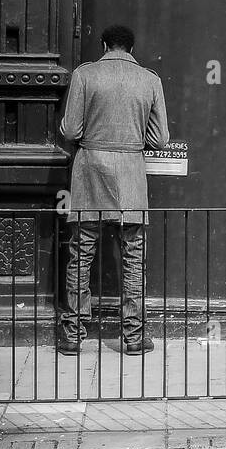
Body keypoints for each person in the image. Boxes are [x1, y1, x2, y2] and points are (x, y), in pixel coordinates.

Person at [57, 24, 169, 355]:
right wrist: (133, 142)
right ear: (131, 49)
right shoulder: (150, 80)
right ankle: (133, 337)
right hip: (132, 173)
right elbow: (160, 138)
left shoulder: (84, 75)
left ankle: (74, 335)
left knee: (81, 254)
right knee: (134, 257)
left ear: (104, 44)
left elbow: (70, 130)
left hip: (90, 170)